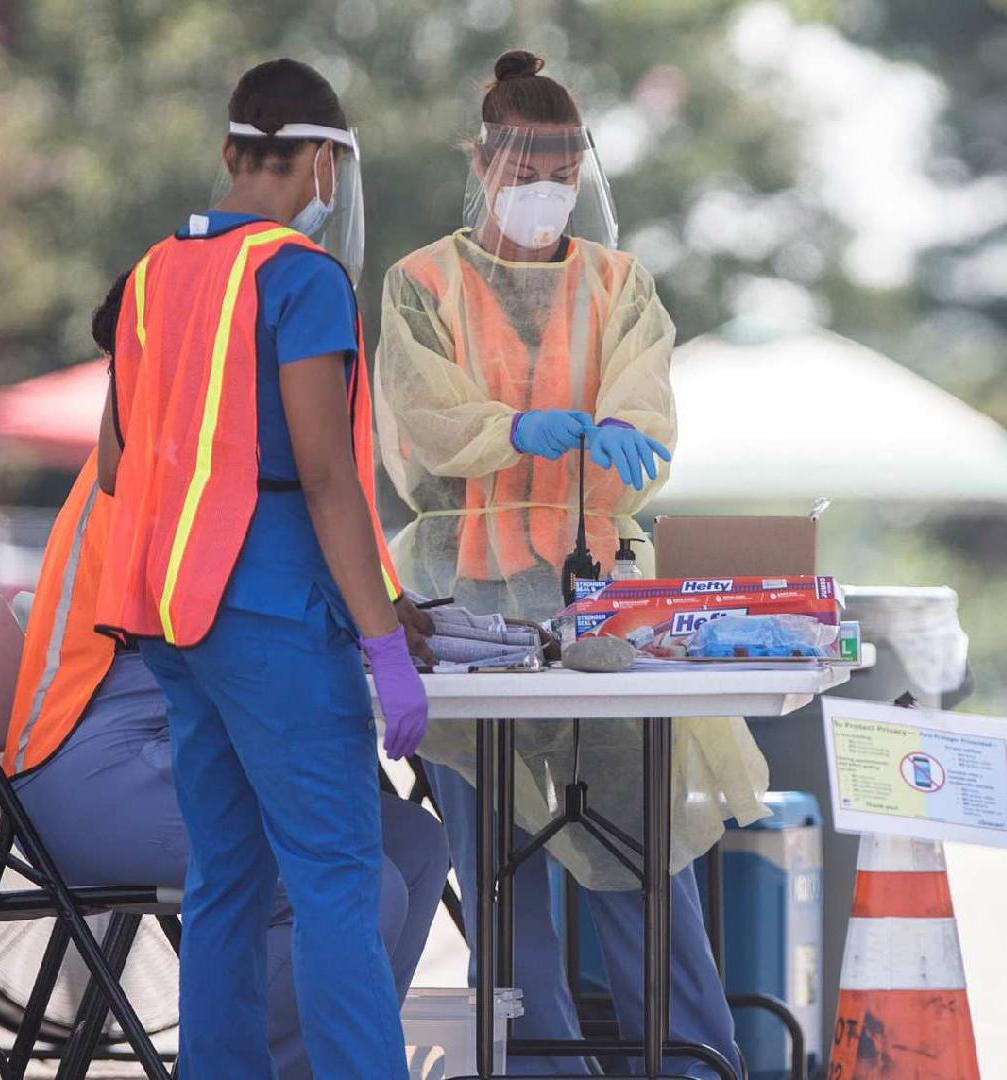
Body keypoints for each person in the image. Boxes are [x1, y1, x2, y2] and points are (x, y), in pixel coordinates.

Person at [375, 49, 761, 1078]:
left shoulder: (619, 282)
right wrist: (519, 429)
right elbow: (427, 416)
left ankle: (691, 1060)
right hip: (465, 599)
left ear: (582, 169)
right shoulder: (420, 285)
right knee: (497, 867)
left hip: (595, 594)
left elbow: (643, 397)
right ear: (483, 158)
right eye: (524, 167)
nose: (544, 190)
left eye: (560, 170)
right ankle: (534, 1061)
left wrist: (623, 431)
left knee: (641, 853)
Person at [5, 271, 448, 1079]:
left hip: (162, 736)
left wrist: (378, 607)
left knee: (416, 846)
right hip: (90, 768)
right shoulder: (157, 480)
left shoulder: (200, 472)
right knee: (352, 885)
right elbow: (249, 622)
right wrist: (370, 618)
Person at [92, 58, 432, 1075]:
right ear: (323, 166)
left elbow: (115, 466)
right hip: (278, 612)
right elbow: (330, 479)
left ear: (232, 153)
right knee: (335, 879)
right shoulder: (300, 277)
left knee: (225, 885)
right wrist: (385, 644)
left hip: (174, 621)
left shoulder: (152, 277)